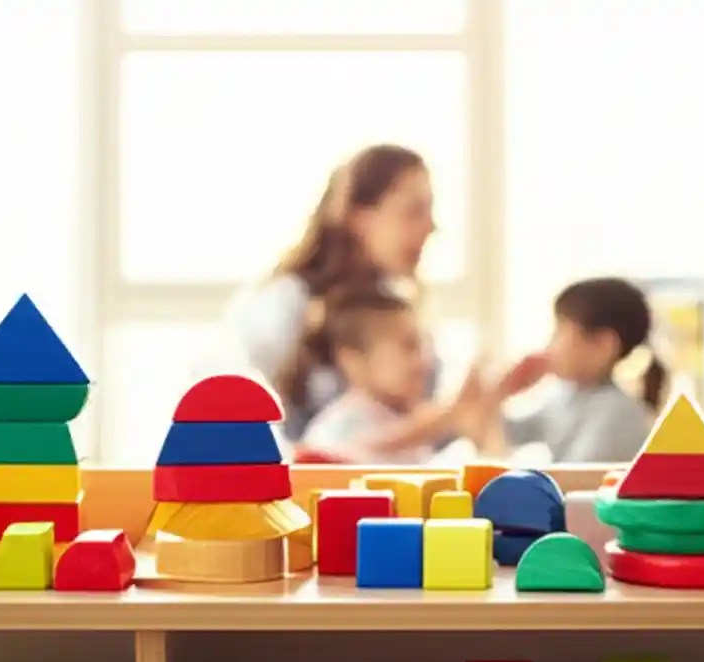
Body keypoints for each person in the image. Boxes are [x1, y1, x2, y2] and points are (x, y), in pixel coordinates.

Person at [220, 144, 440, 442]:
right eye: (413, 212)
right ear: (358, 217)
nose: (431, 227)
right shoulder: (282, 306)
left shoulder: (396, 312)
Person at [468, 277, 667, 463]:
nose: (549, 346)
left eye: (558, 332)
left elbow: (569, 483)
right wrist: (498, 393)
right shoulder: (565, 397)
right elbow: (504, 434)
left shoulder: (619, 415)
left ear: (603, 347)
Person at [297, 290, 473, 464]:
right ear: (353, 360)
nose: (424, 360)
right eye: (408, 346)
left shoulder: (407, 416)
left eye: (422, 346)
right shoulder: (337, 426)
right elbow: (377, 444)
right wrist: (447, 417)